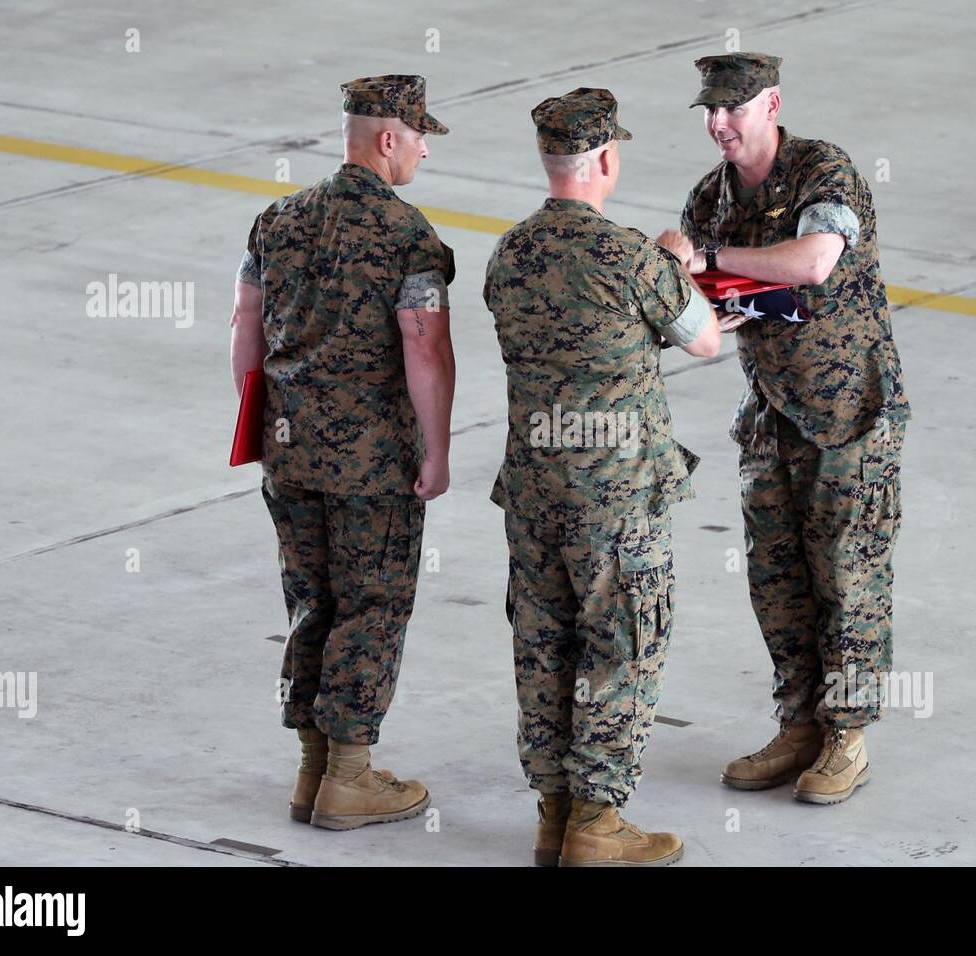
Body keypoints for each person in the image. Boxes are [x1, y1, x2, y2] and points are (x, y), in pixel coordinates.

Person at [484, 87, 720, 865]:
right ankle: (597, 824)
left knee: (543, 646)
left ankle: (553, 814)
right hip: (616, 495)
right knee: (621, 645)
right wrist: (672, 265)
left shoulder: (509, 253)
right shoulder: (627, 256)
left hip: (533, 489)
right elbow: (704, 339)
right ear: (608, 159)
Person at [670, 53, 911, 804]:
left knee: (847, 575)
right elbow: (702, 303)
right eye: (709, 110)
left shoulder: (821, 171)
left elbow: (813, 262)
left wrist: (705, 259)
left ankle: (846, 736)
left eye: (734, 109)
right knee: (776, 579)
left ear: (770, 103)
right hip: (772, 413)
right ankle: (798, 723)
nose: (719, 123)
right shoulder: (709, 196)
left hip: (850, 416)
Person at [229, 74, 456, 830]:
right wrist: (438, 450)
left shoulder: (279, 219)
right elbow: (424, 347)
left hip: (287, 452)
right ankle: (350, 777)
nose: (425, 148)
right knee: (372, 605)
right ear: (388, 139)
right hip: (371, 462)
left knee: (310, 600)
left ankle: (311, 770)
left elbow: (245, 326)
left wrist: (260, 424)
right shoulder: (409, 236)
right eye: (421, 134)